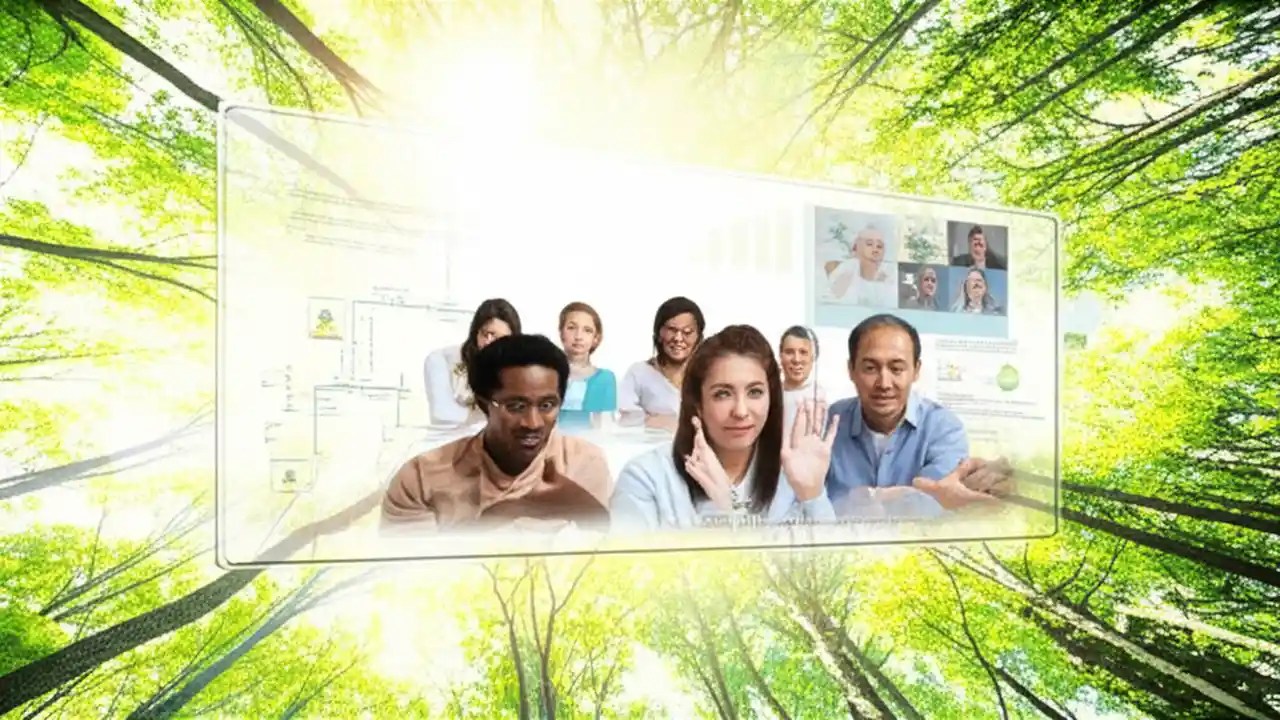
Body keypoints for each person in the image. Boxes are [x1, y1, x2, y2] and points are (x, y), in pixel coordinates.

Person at [610, 325, 839, 531]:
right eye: (722, 394)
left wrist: (813, 495)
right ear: (697, 403)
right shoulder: (645, 478)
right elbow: (632, 575)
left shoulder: (791, 476)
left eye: (755, 392)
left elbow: (832, 572)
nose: (740, 411)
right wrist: (720, 514)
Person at [383, 334, 613, 530]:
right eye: (516, 407)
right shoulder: (421, 479)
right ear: (483, 404)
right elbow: (405, 576)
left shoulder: (585, 464)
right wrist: (492, 522)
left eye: (546, 406)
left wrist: (586, 509)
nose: (533, 423)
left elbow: (613, 567)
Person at [824, 314, 1010, 516]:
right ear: (851, 370)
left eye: (897, 369)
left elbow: (931, 508)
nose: (884, 384)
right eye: (870, 368)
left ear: (916, 370)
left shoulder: (944, 429)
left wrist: (867, 496)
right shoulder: (826, 425)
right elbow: (804, 507)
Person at [423, 298, 520, 426]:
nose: (490, 343)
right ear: (476, 332)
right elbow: (443, 414)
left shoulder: (515, 371)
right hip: (448, 440)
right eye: (487, 334)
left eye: (500, 339)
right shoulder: (441, 360)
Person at [618, 296, 705, 432]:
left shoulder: (707, 375)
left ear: (699, 337)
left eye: (687, 332)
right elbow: (624, 417)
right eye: (671, 330)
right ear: (658, 333)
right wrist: (654, 422)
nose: (678, 338)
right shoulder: (639, 373)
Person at [556, 301, 617, 432]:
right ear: (561, 332)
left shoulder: (605, 378)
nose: (578, 336)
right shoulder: (550, 374)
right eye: (571, 328)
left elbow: (605, 426)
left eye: (587, 330)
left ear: (596, 338)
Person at [827, 225, 896, 307]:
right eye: (869, 244)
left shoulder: (889, 274)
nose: (875, 249)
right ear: (856, 248)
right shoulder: (848, 270)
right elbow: (834, 299)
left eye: (879, 246)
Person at [778, 326, 826, 439]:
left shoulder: (821, 398)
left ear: (813, 356)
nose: (796, 360)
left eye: (803, 352)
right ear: (781, 356)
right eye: (789, 352)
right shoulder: (770, 394)